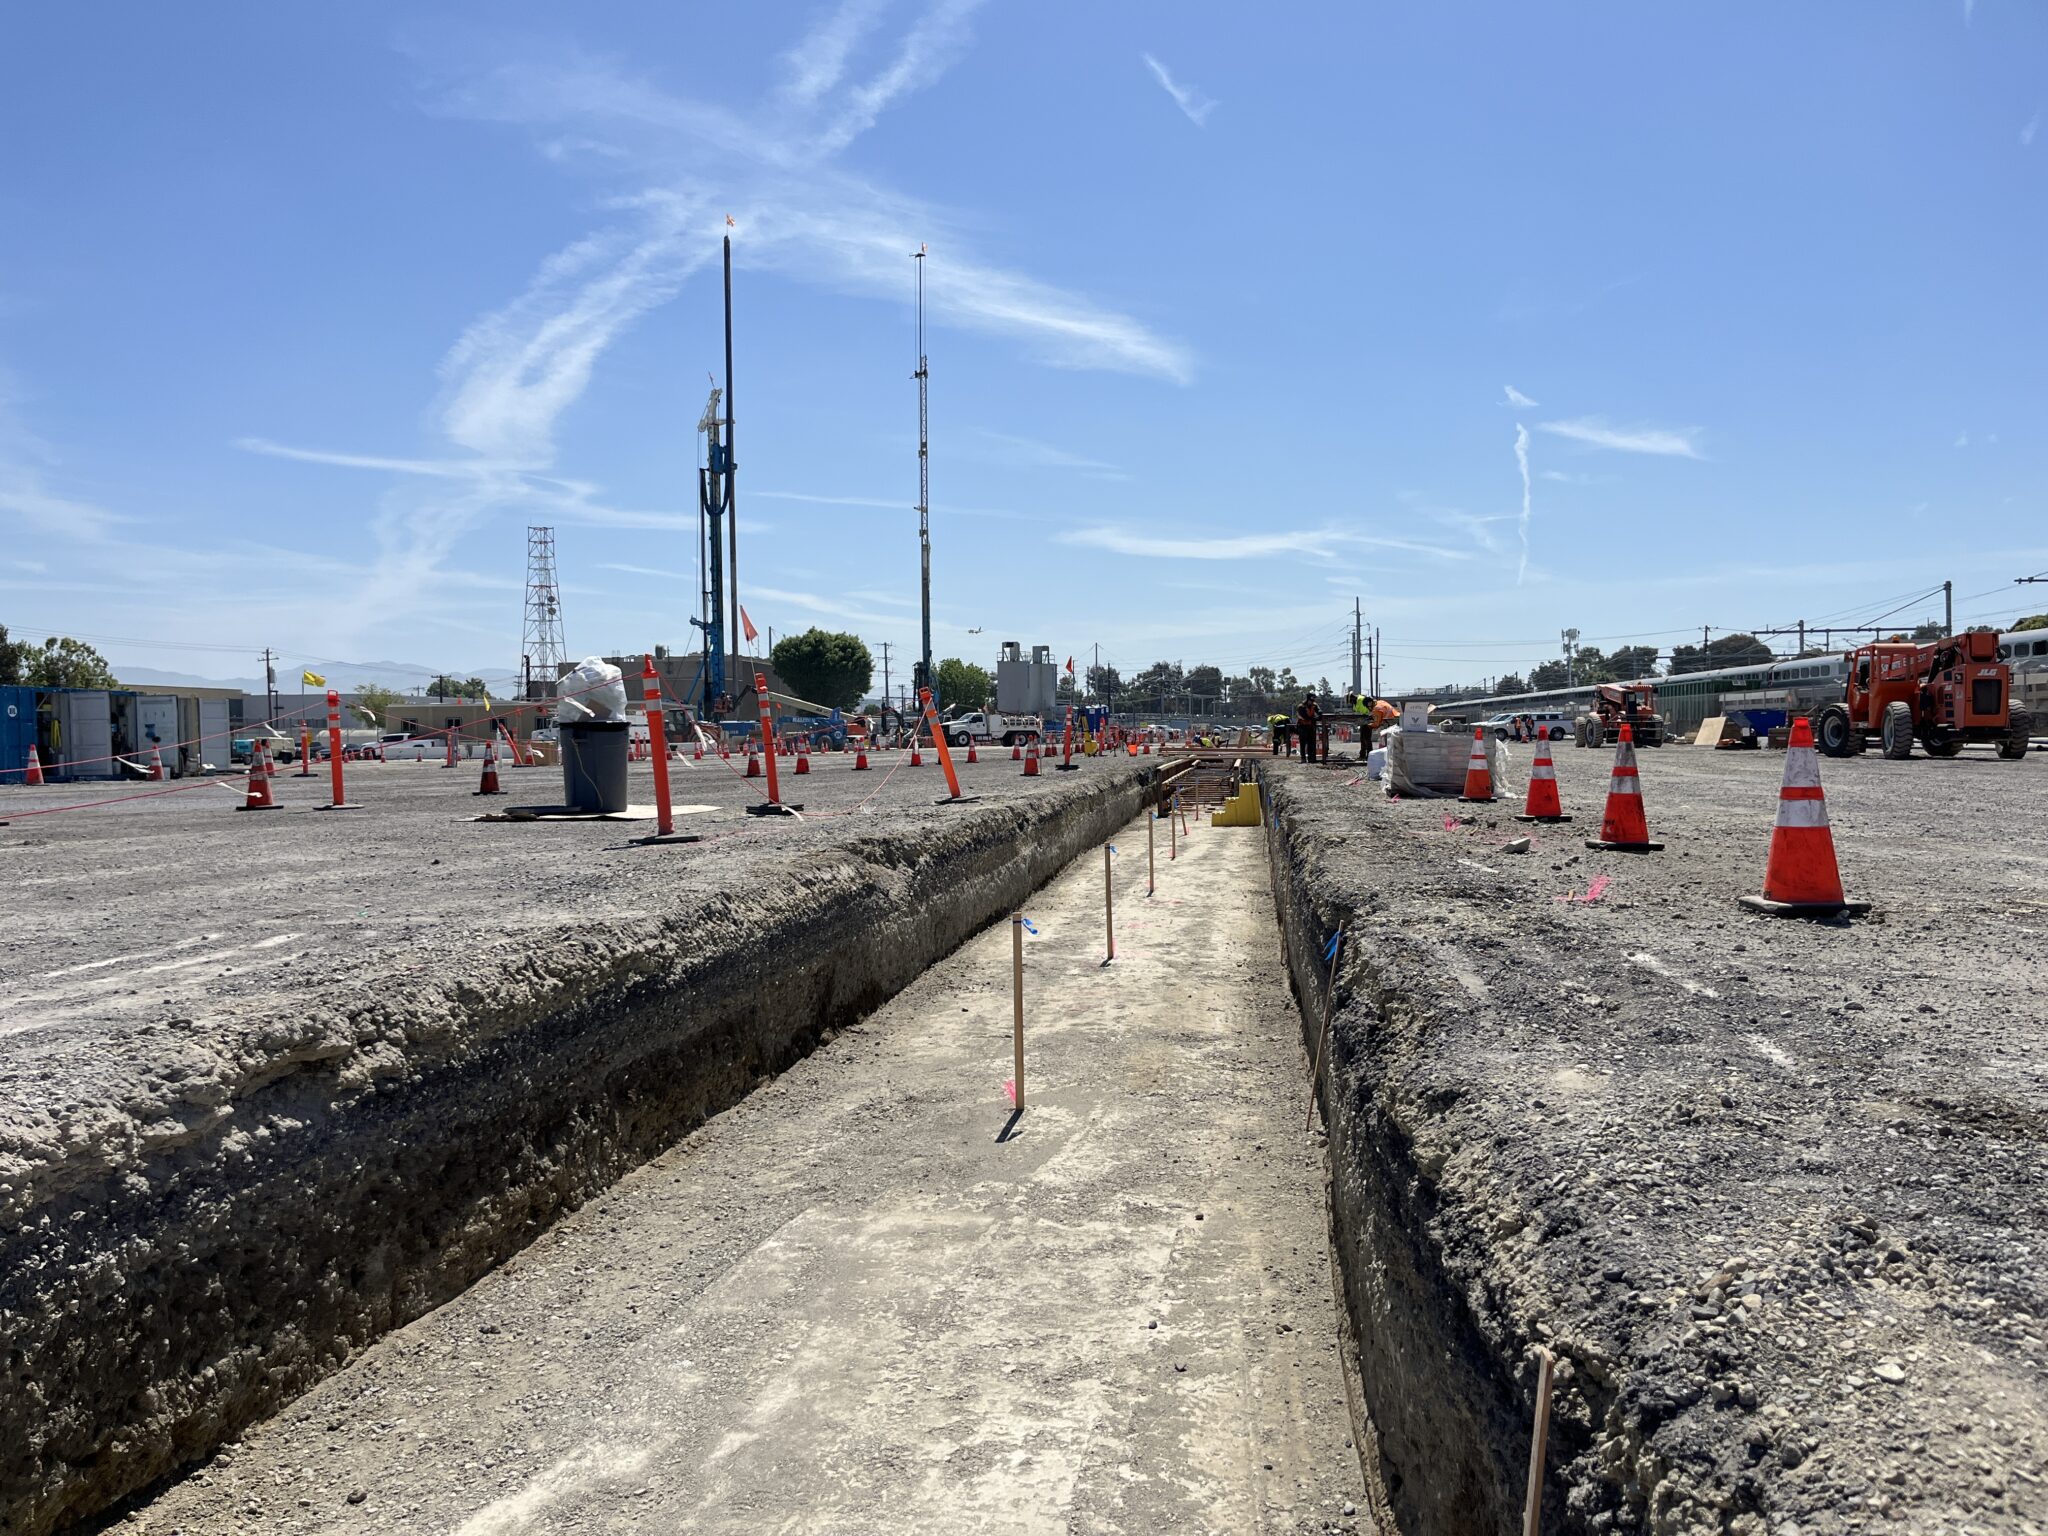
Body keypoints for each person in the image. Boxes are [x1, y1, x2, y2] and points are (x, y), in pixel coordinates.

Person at [1295, 690, 1321, 765]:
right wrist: (1315, 719)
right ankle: (1303, 758)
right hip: (1302, 727)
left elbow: (1319, 711)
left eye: (1313, 701)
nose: (1312, 702)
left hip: (1310, 727)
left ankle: (1311, 758)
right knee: (1303, 743)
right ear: (1308, 699)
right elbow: (1305, 717)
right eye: (1311, 700)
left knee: (1311, 743)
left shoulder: (1314, 705)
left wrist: (1319, 713)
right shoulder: (1301, 707)